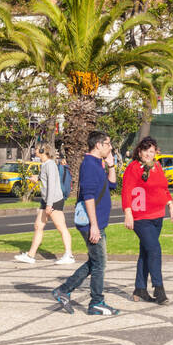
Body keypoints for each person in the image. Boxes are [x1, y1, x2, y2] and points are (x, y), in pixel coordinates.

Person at [53, 130, 120, 316]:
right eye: (108, 144)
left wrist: (111, 165)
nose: (110, 147)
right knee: (100, 264)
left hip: (97, 222)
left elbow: (112, 185)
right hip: (91, 223)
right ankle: (96, 302)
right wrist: (94, 225)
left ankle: (64, 290)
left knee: (95, 262)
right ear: (98, 145)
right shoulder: (89, 165)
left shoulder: (97, 164)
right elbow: (88, 197)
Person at [121, 136, 173, 303]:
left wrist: (171, 204)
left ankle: (140, 289)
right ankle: (159, 289)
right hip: (141, 216)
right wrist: (128, 213)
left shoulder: (157, 166)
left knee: (146, 252)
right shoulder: (133, 168)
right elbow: (126, 191)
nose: (148, 154)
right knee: (154, 249)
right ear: (140, 151)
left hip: (157, 215)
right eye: (146, 150)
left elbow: (163, 188)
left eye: (151, 151)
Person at [15, 144, 75, 265]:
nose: (35, 150)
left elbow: (52, 185)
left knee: (61, 227)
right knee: (38, 226)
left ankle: (69, 255)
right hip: (46, 199)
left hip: (54, 200)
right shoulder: (45, 164)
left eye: (36, 149)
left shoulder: (51, 164)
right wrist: (37, 178)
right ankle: (31, 255)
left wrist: (49, 205)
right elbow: (46, 180)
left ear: (43, 151)